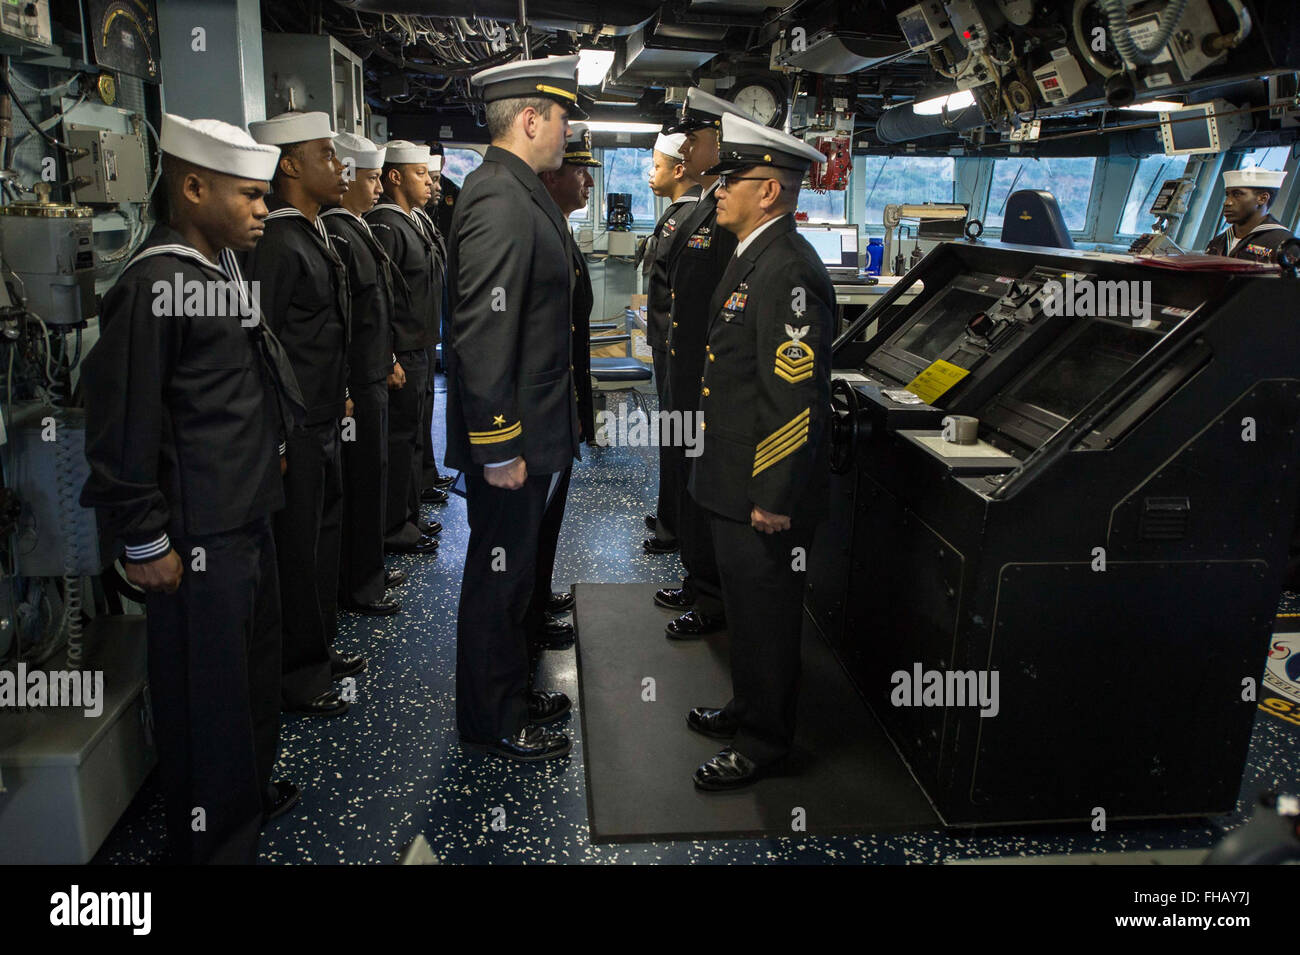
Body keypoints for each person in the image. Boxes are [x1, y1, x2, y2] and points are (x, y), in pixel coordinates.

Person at [80, 113, 305, 862]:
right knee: (208, 705)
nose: (262, 210)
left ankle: (246, 797)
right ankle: (214, 844)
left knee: (249, 683)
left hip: (246, 519)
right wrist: (145, 541)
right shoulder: (156, 285)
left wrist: (271, 444)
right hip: (197, 539)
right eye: (248, 196)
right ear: (193, 186)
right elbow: (121, 428)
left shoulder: (218, 271)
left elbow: (237, 380)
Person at [683, 113, 833, 791]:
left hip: (759, 489)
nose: (717, 191)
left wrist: (774, 494)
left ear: (768, 191)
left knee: (769, 616)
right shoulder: (754, 258)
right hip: (730, 476)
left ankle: (765, 741)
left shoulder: (789, 271)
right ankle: (747, 705)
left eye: (730, 180)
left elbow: (792, 398)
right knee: (746, 610)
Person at [444, 54, 586, 761]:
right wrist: (497, 444)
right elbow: (482, 332)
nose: (567, 130)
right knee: (498, 580)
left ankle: (507, 690)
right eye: (561, 117)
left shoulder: (516, 189)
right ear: (530, 119)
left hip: (533, 435)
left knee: (517, 575)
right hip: (513, 444)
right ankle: (491, 718)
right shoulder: (501, 197)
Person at [246, 111, 356, 717]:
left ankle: (319, 647)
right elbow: (266, 345)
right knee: (296, 549)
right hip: (296, 425)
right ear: (288, 165)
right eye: (324, 155)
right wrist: (280, 438)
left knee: (321, 540)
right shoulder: (279, 243)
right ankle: (297, 675)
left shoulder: (314, 233)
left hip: (322, 416)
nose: (338, 167)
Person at [652, 88, 751, 639]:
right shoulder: (705, 208)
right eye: (684, 138)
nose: (686, 146)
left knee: (705, 481)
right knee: (690, 479)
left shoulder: (726, 217)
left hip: (706, 379)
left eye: (696, 137)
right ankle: (697, 579)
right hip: (685, 373)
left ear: (723, 142)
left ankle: (710, 594)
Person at [321, 132, 405, 617]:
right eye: (371, 178)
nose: (377, 188)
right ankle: (358, 583)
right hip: (356, 385)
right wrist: (350, 386)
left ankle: (368, 569)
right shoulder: (337, 232)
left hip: (372, 376)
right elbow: (345, 323)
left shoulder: (356, 228)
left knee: (373, 474)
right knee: (358, 482)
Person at [532, 122, 600, 648]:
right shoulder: (539, 226)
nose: (588, 183)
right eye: (580, 171)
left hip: (561, 402)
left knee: (549, 513)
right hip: (538, 410)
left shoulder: (559, 226)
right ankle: (528, 608)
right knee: (532, 519)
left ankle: (537, 592)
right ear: (553, 176)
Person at [367, 141, 443, 554]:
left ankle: (409, 517)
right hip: (403, 352)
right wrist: (391, 356)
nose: (430, 183)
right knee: (399, 441)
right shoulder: (387, 225)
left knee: (414, 435)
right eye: (420, 175)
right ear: (395, 177)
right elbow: (381, 300)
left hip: (422, 344)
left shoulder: (411, 222)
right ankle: (395, 526)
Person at [642, 130, 700, 555]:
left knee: (677, 434)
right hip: (665, 342)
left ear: (680, 170)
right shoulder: (675, 215)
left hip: (677, 347)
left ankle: (674, 524)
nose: (650, 173)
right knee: (670, 432)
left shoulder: (689, 218)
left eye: (657, 166)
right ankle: (669, 512)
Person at [1206, 167, 1295, 262]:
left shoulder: (1284, 243)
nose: (1227, 202)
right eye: (1227, 195)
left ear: (1262, 198)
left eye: (1237, 195)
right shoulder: (1218, 242)